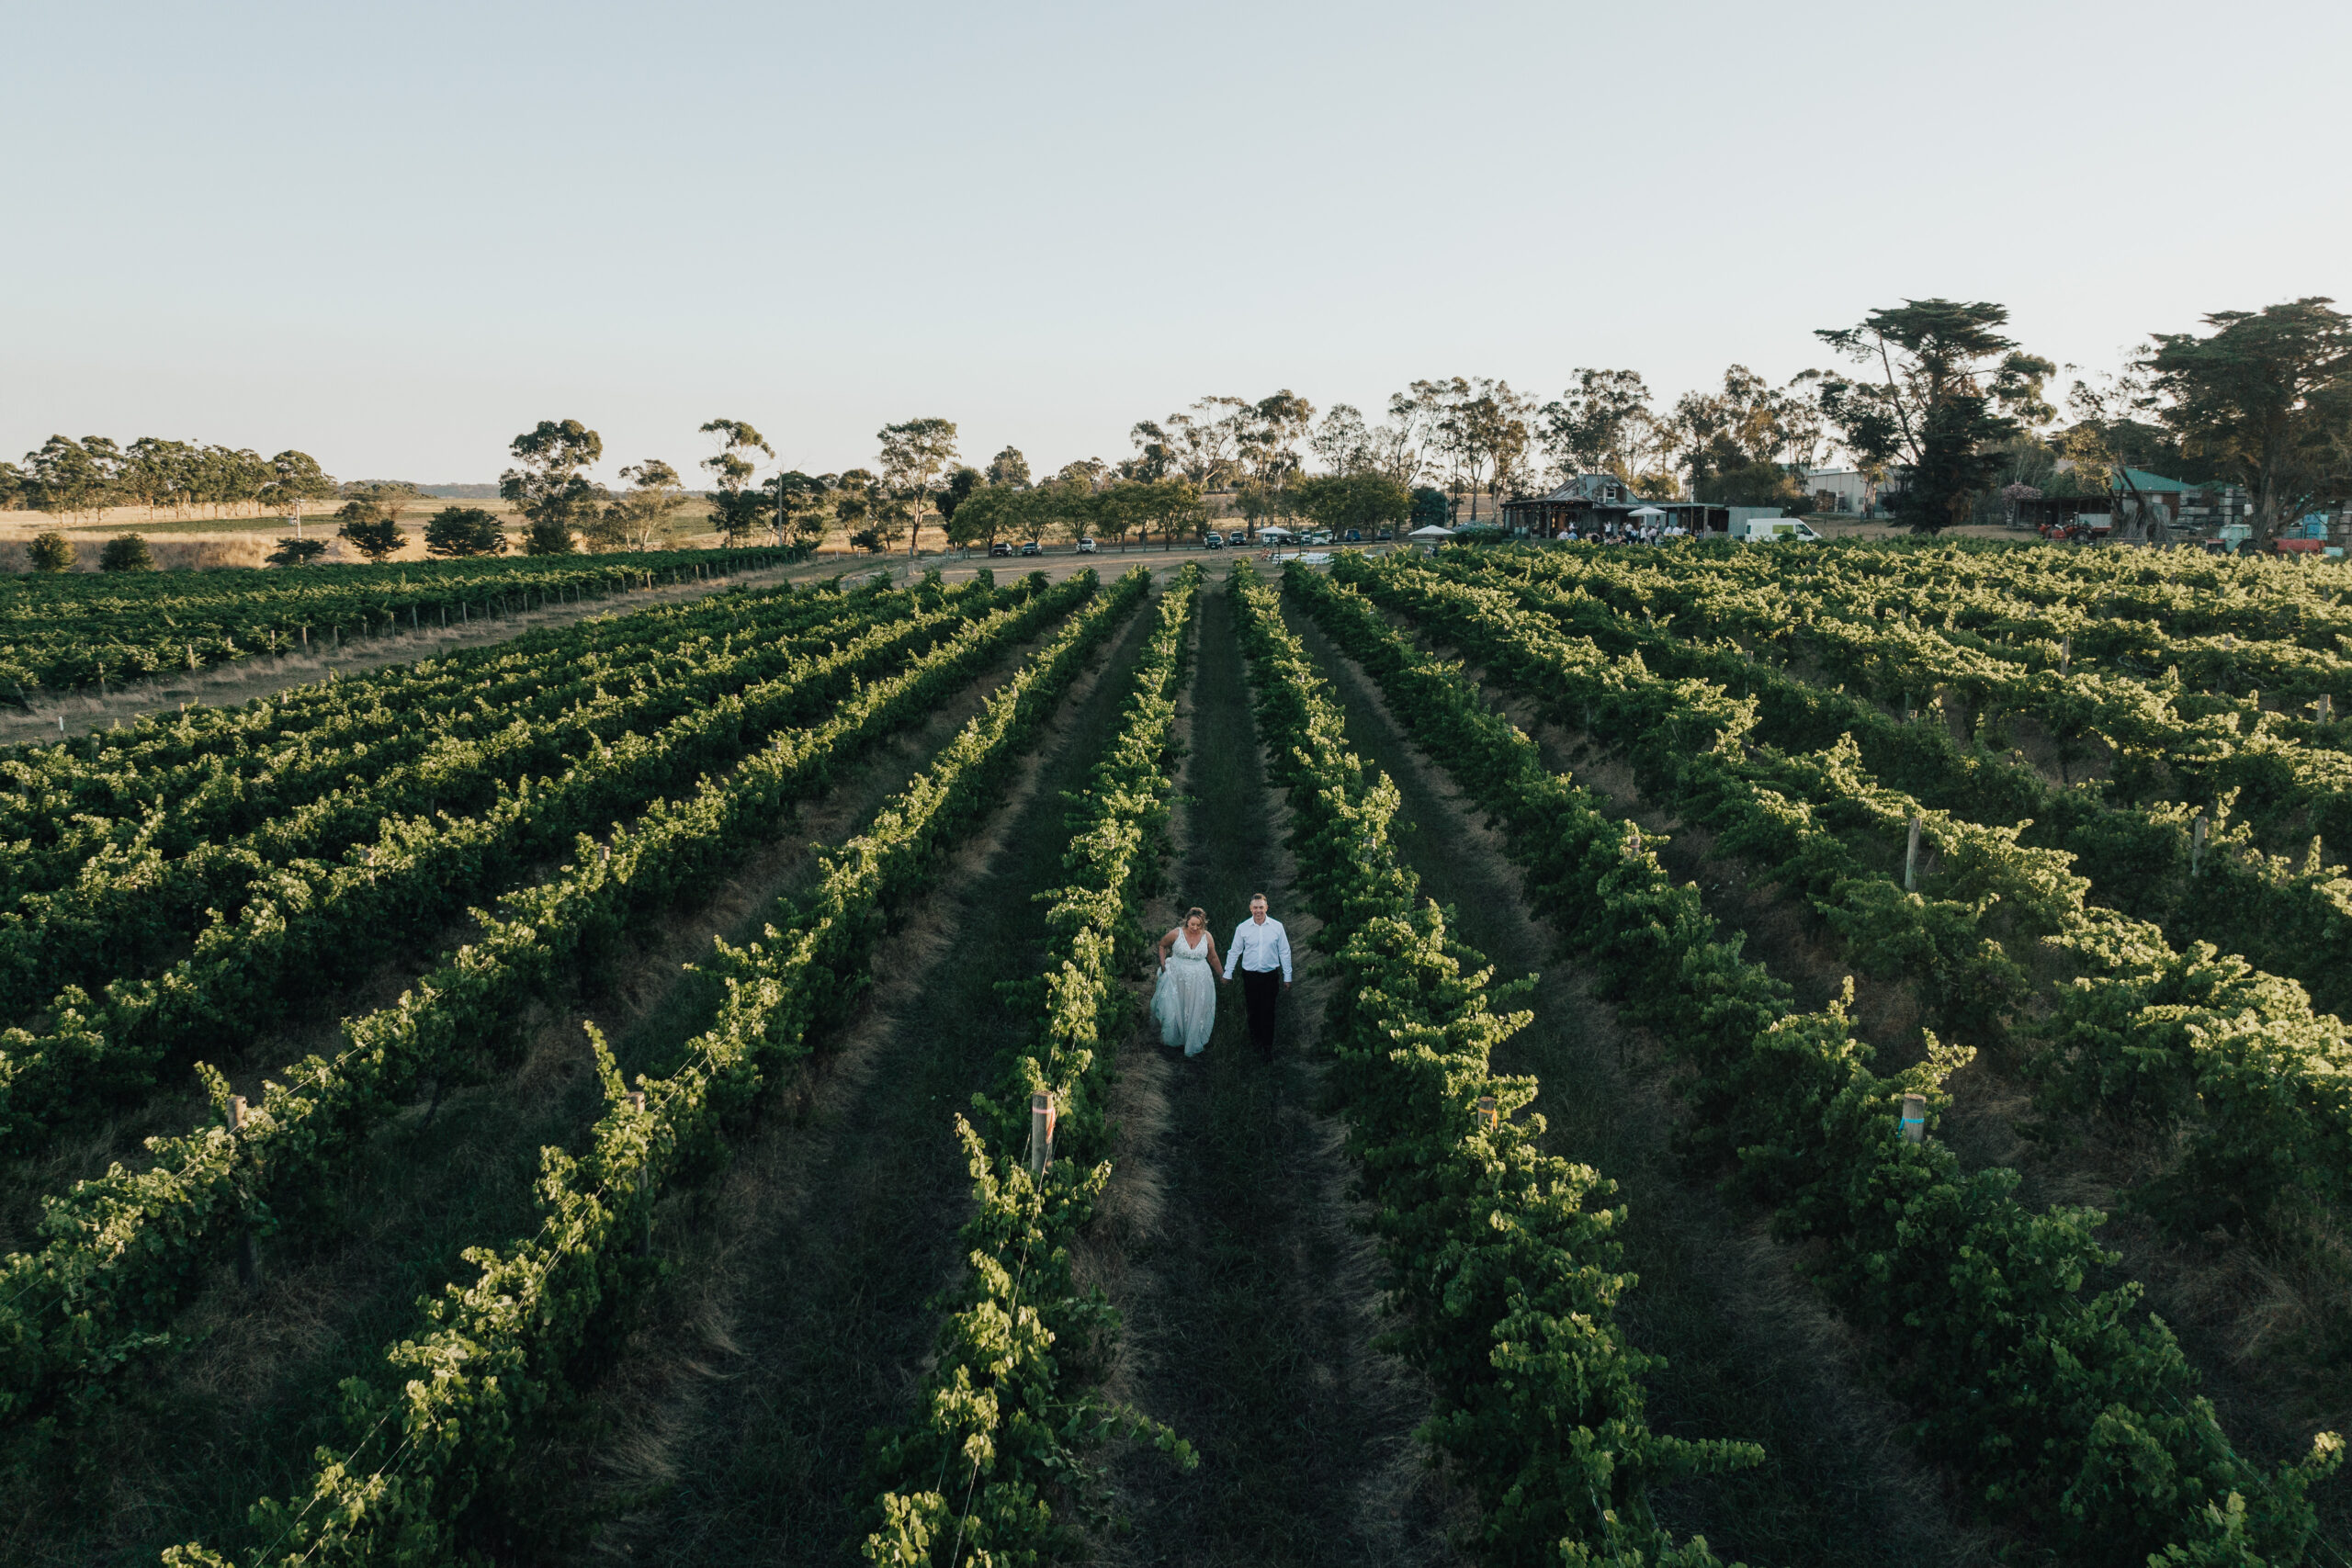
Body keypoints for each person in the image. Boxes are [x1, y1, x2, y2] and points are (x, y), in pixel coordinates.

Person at [1220, 893, 1293, 1061]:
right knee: (1253, 1010)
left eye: (1261, 907)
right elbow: (1234, 951)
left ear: (1266, 908)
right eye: (1255, 907)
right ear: (1250, 908)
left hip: (1270, 976)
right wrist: (1228, 973)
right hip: (1250, 976)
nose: (1258, 910)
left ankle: (1267, 1048)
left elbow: (1284, 951)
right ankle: (1255, 1043)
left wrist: (1287, 976)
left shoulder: (1277, 927)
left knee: (1268, 1011)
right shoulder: (1242, 928)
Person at [1152, 907, 1220, 1056]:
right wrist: (1163, 965)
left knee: (1195, 1007)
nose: (1195, 928)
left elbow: (1213, 957)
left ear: (1203, 924)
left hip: (1199, 980)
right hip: (1176, 977)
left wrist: (1222, 975)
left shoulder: (1207, 937)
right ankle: (1174, 1039)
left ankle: (1191, 1038)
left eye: (1199, 925)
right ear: (1186, 922)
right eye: (1192, 925)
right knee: (1175, 1006)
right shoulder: (1177, 933)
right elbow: (1162, 945)